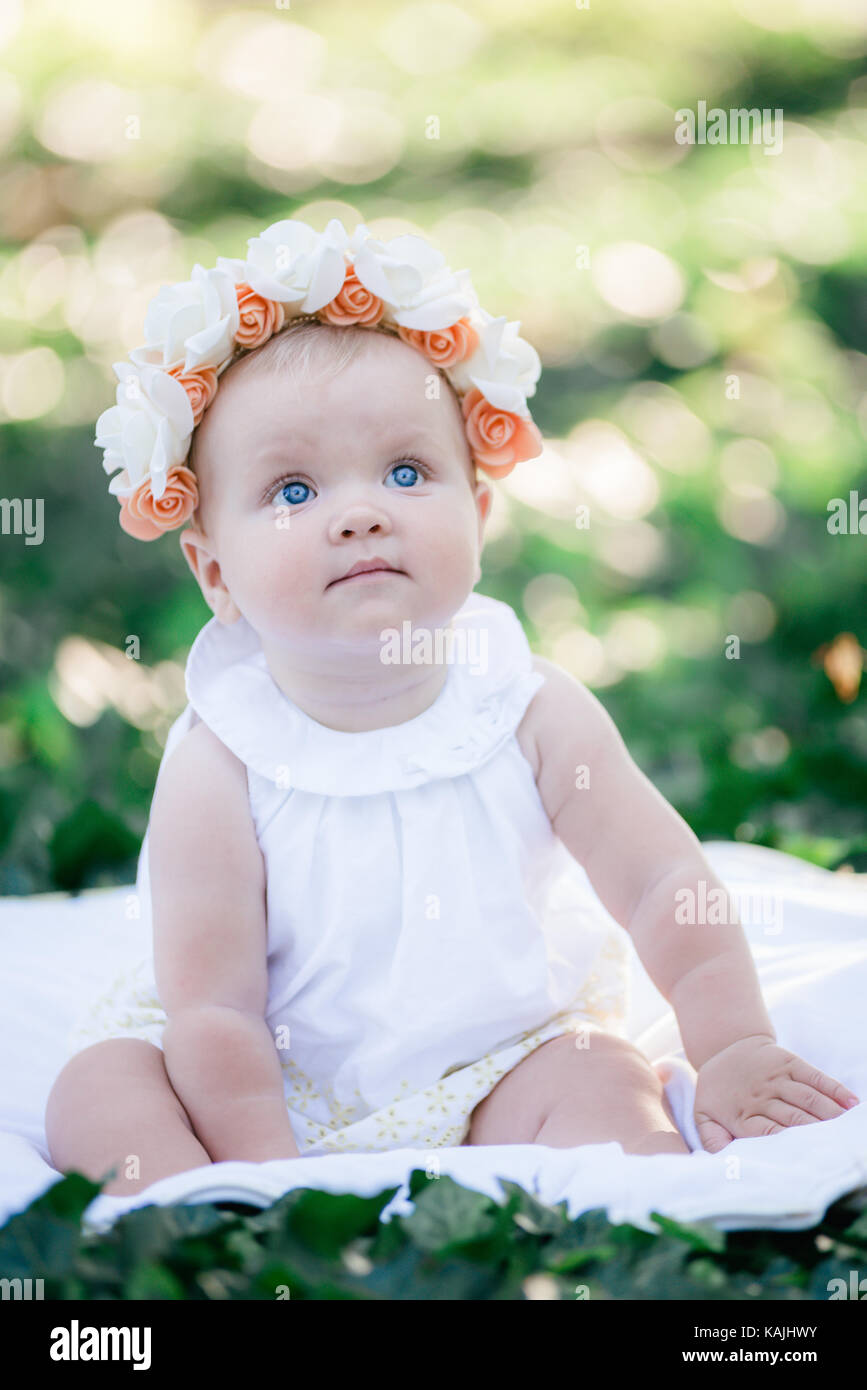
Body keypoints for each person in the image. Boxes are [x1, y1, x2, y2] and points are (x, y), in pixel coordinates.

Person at [44, 217, 858, 1198]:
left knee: (603, 1084)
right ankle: (217, 1202)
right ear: (215, 570)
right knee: (99, 1093)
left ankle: (601, 1199)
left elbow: (661, 882)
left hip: (495, 1061)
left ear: (477, 512)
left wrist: (730, 1042)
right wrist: (274, 1173)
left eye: (405, 471)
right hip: (261, 1075)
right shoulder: (220, 757)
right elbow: (213, 1004)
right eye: (294, 488)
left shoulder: (529, 708)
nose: (361, 511)